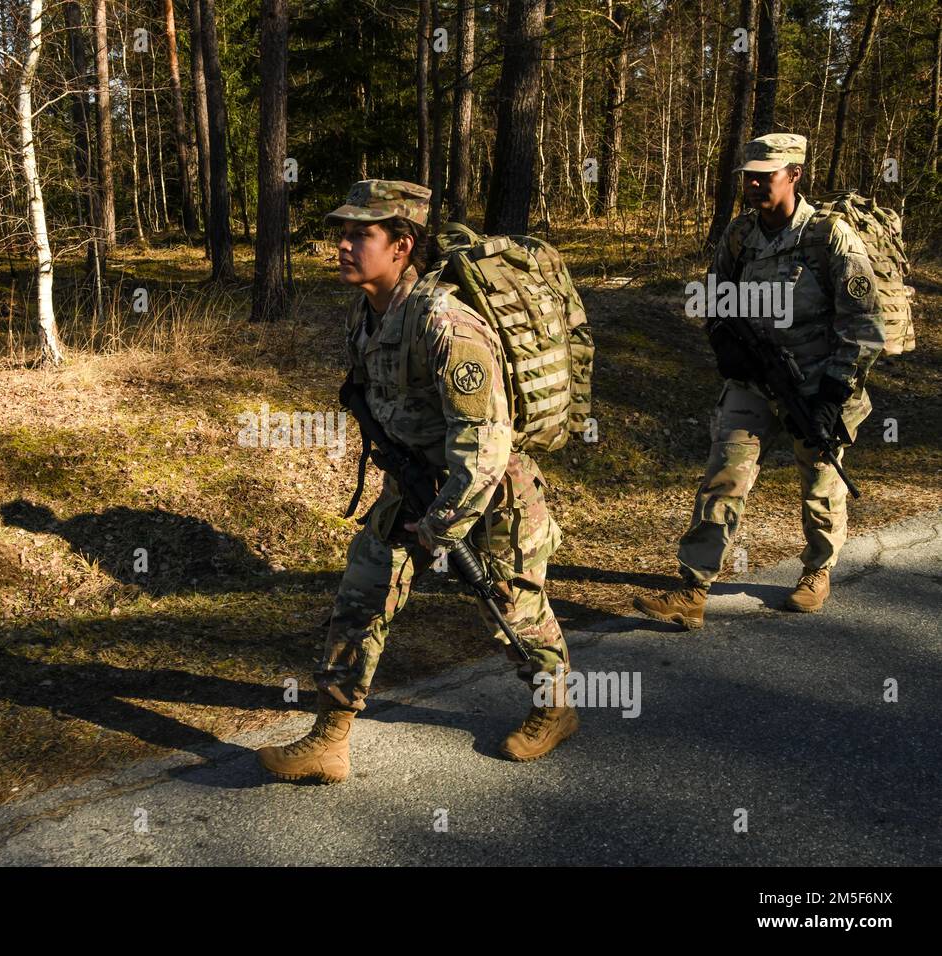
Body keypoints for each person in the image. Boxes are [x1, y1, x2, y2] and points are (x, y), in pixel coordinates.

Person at [256, 180, 576, 784]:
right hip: (413, 481)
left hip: (487, 494)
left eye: (361, 235)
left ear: (401, 245)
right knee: (362, 594)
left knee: (512, 610)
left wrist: (439, 527)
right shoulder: (369, 314)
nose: (343, 245)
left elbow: (486, 449)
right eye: (342, 233)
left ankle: (555, 707)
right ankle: (329, 737)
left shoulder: (447, 325)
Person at [634, 133, 886, 630]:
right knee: (723, 477)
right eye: (748, 176)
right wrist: (725, 345)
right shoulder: (740, 235)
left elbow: (864, 325)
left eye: (763, 176)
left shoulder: (829, 236)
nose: (752, 184)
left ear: (794, 175)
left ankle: (817, 570)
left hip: (816, 385)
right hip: (753, 381)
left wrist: (834, 393)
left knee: (820, 482)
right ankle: (693, 588)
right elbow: (715, 297)